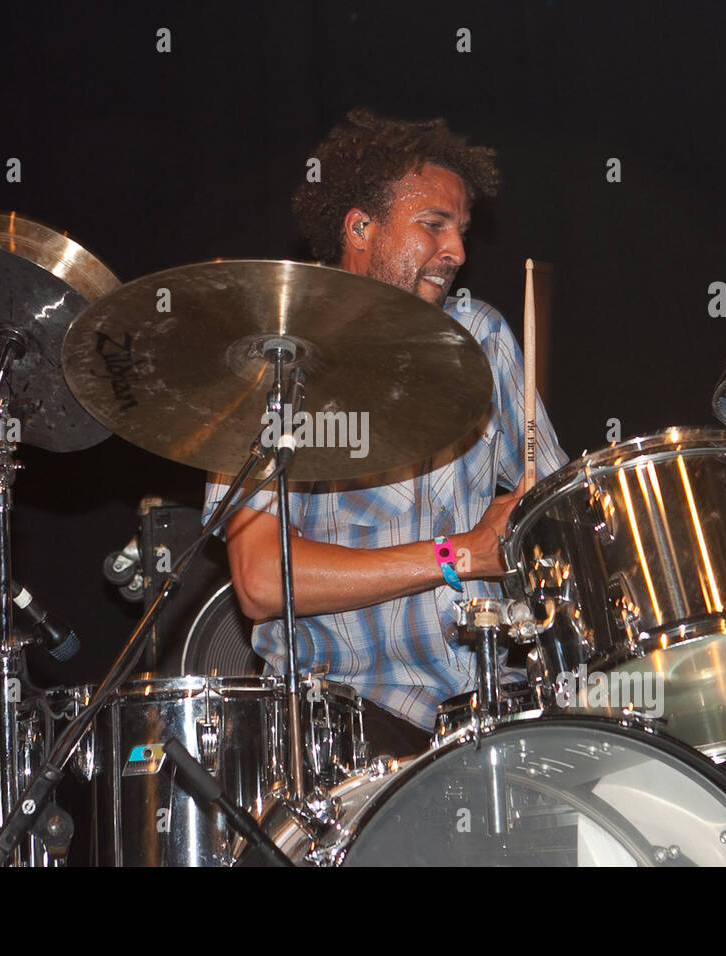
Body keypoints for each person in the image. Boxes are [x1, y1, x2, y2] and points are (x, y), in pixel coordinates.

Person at [202, 109, 568, 756]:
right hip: (347, 723)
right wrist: (459, 556)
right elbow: (260, 579)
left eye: (461, 231)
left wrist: (541, 528)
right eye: (434, 225)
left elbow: (561, 508)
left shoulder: (481, 337)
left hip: (492, 711)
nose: (455, 251)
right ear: (361, 228)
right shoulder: (275, 366)